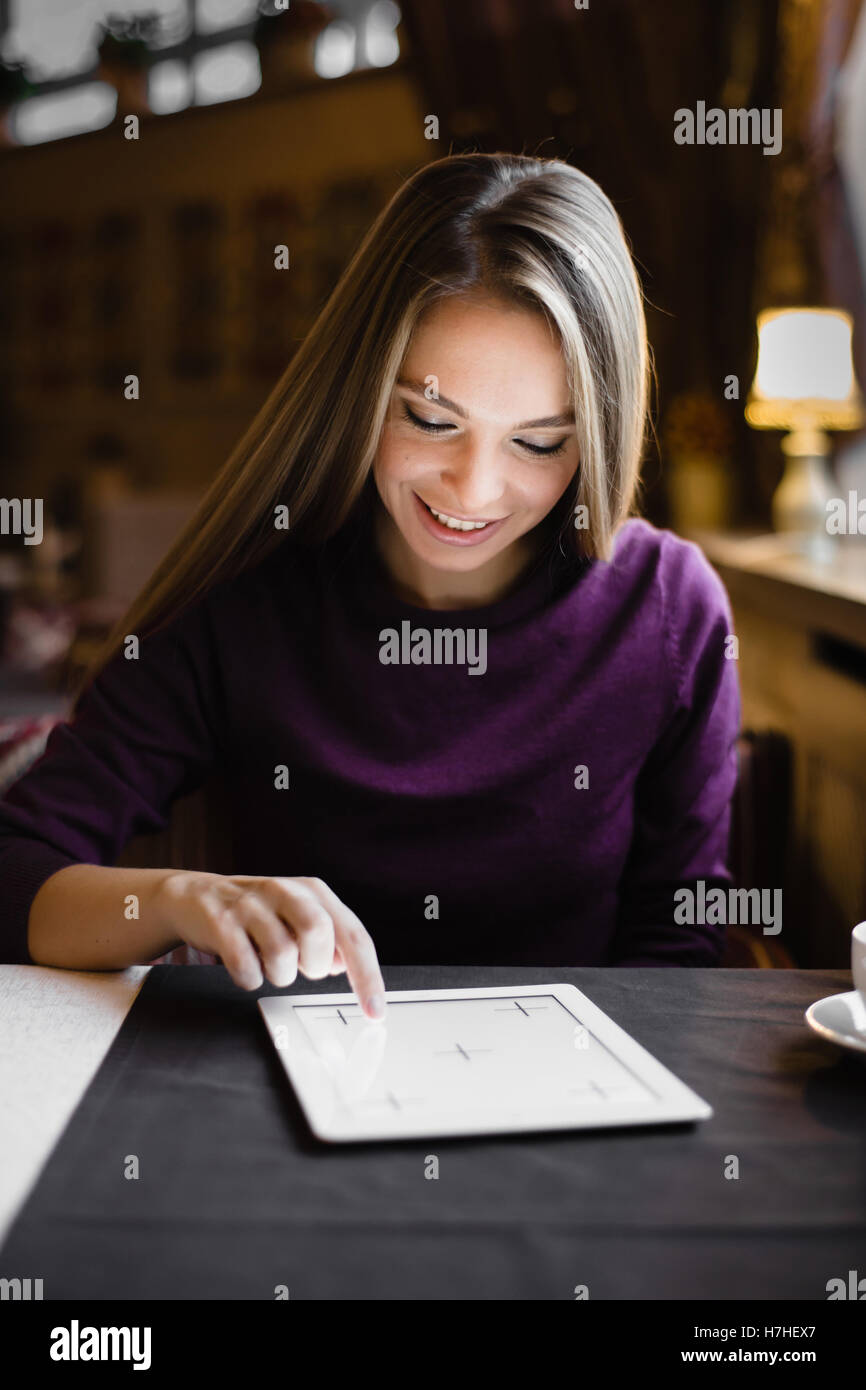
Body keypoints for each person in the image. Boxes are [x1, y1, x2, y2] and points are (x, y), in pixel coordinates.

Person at [0, 152, 740, 1021]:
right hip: (286, 1096)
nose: (472, 490)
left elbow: (681, 944)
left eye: (539, 442)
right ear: (359, 392)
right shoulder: (247, 598)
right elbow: (18, 873)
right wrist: (171, 900)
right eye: (430, 419)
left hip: (576, 1101)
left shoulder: (670, 609)